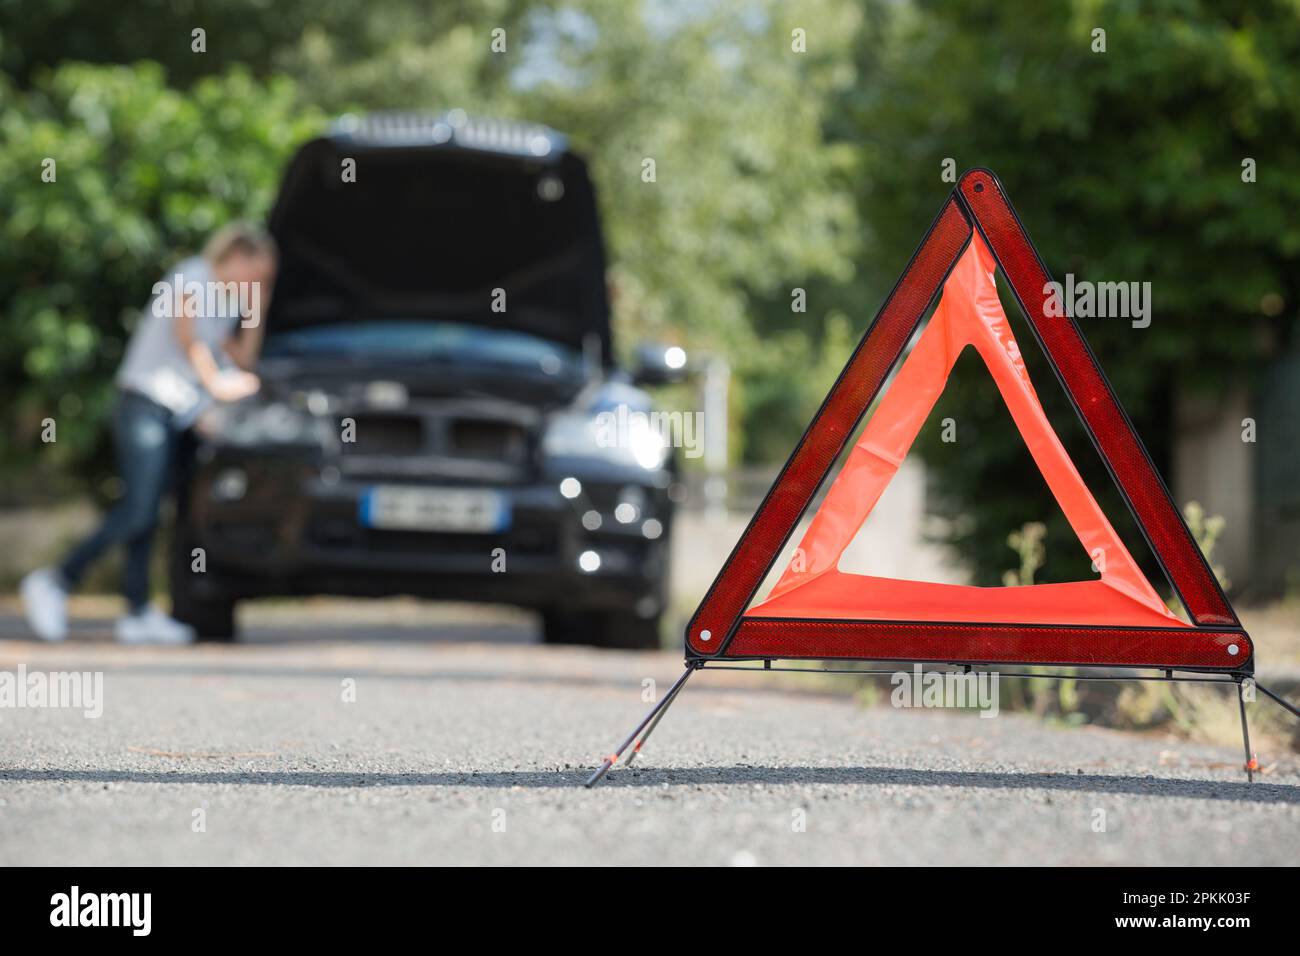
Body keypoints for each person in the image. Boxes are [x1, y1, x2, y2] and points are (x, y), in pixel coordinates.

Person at [20, 224, 277, 643]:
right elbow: (187, 338)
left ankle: (136, 613)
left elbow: (243, 358)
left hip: (174, 412)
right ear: (237, 256)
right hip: (143, 402)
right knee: (139, 509)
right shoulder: (193, 275)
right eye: (258, 274)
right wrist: (216, 386)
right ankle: (55, 580)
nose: (258, 282)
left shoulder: (231, 302)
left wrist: (257, 311)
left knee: (149, 511)